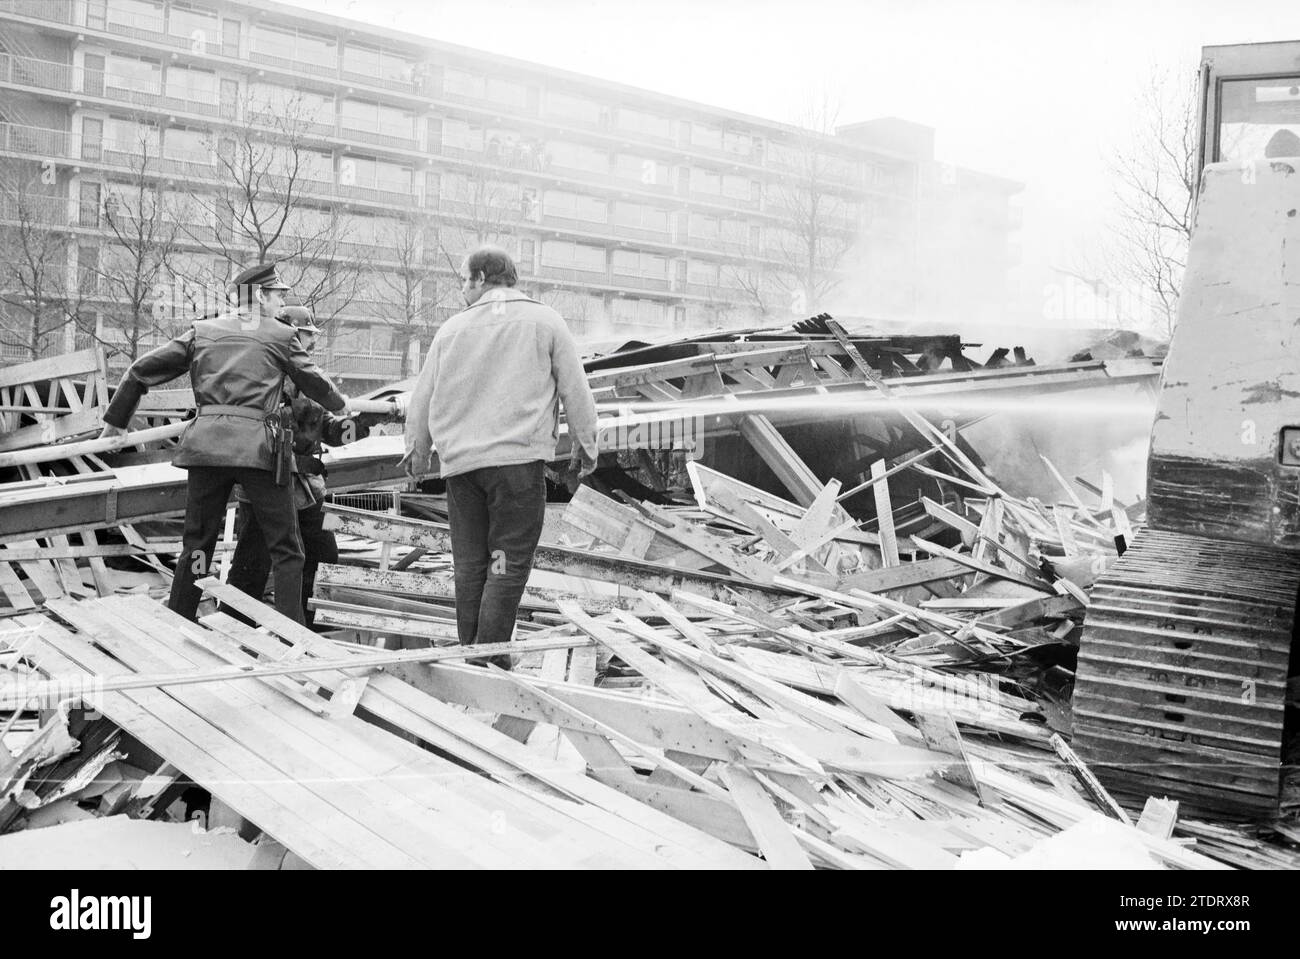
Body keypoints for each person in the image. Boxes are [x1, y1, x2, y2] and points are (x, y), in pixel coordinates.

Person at [99, 264, 348, 624]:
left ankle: (180, 619)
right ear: (259, 296)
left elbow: (139, 370)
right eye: (279, 295)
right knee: (287, 550)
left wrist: (114, 424)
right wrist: (342, 405)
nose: (282, 303)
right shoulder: (280, 336)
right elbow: (312, 381)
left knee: (197, 547)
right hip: (257, 453)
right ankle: (293, 634)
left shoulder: (203, 331)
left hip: (206, 451)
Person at [402, 245, 598, 667]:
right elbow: (575, 389)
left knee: (471, 564)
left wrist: (418, 453)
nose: (461, 289)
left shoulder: (450, 331)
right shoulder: (545, 321)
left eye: (463, 279)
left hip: (462, 471)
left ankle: (474, 653)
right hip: (516, 467)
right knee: (504, 564)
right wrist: (586, 444)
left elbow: (422, 398)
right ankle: (487, 660)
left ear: (481, 278)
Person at [226, 306, 367, 627]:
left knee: (323, 555)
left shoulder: (310, 382)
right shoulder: (263, 377)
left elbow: (331, 430)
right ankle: (232, 626)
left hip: (306, 492)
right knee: (252, 564)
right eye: (305, 337)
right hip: (265, 488)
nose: (310, 345)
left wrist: (363, 424)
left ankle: (311, 628)